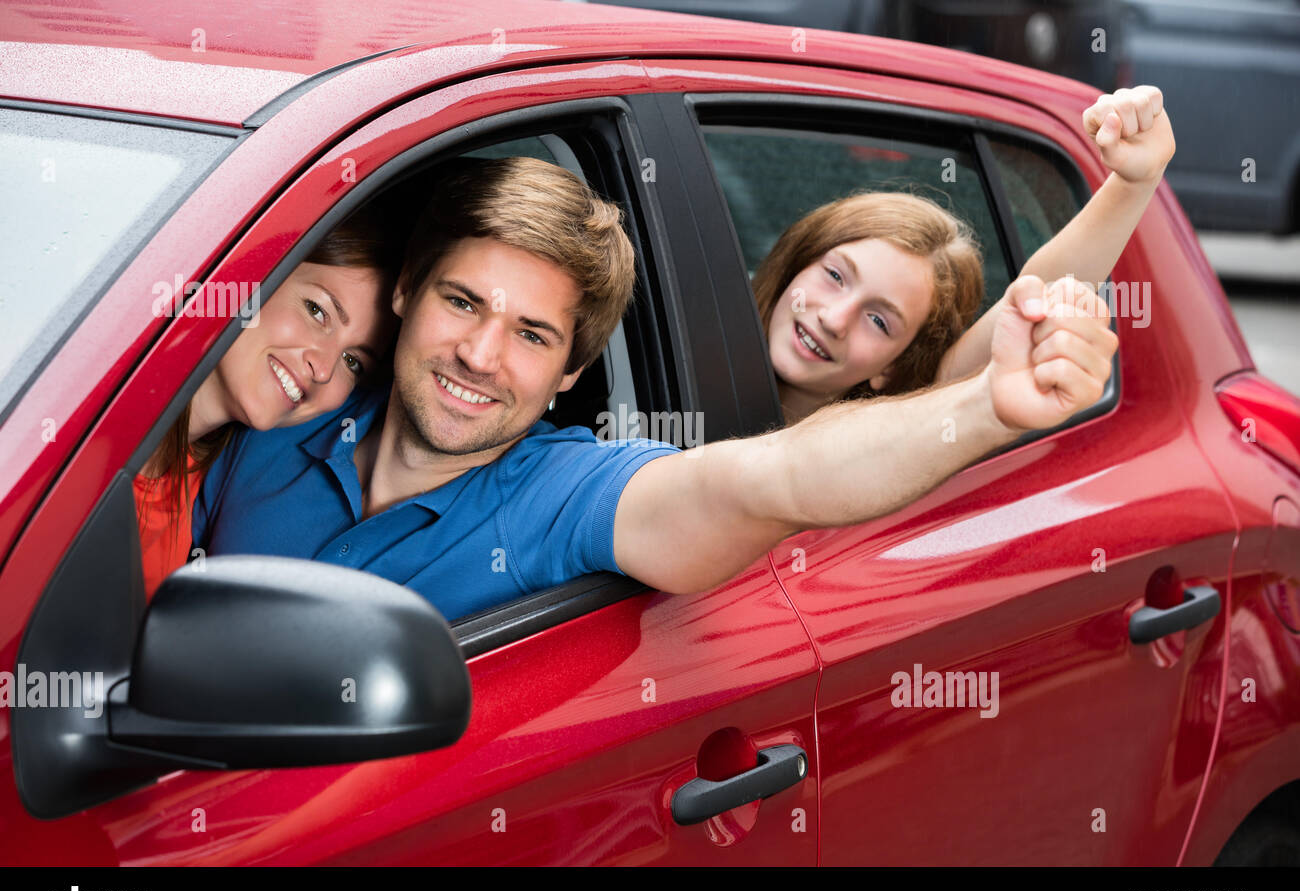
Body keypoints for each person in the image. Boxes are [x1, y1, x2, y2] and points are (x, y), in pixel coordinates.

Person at [191, 154, 1117, 620]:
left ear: (573, 373)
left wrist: (985, 409)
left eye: (532, 335)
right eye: (462, 301)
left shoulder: (566, 493)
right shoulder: (279, 418)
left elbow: (769, 481)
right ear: (406, 294)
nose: (479, 353)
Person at [758, 86, 1174, 425]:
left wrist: (1133, 184)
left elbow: (1038, 300)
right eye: (834, 276)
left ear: (891, 370)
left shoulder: (886, 432)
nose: (833, 319)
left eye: (879, 321)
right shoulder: (694, 310)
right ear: (797, 262)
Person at [135, 208, 402, 598]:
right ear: (254, 271)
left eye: (353, 361)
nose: (324, 369)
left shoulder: (199, 483)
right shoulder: (90, 439)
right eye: (317, 311)